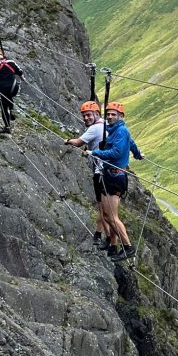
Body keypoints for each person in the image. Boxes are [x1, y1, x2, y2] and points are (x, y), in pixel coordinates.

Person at [88, 101, 144, 261]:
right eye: (109, 114)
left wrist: (94, 152)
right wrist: (138, 154)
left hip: (115, 176)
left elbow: (116, 152)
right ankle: (114, 244)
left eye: (114, 114)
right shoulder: (114, 131)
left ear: (121, 116)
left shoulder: (121, 131)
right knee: (105, 215)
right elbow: (131, 144)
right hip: (109, 175)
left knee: (112, 217)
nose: (110, 117)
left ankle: (128, 248)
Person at [64, 100, 110, 249]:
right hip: (109, 170)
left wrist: (67, 140)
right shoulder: (106, 125)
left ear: (96, 114)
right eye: (84, 116)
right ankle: (99, 234)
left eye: (88, 115)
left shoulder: (94, 129)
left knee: (103, 208)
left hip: (100, 171)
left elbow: (77, 142)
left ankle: (107, 238)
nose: (86, 118)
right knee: (104, 207)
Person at [0, 47, 23, 133]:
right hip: (14, 88)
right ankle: (12, 110)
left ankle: (7, 127)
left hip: (2, 89)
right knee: (9, 97)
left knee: (4, 108)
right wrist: (22, 77)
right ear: (2, 55)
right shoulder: (11, 62)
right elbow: (20, 71)